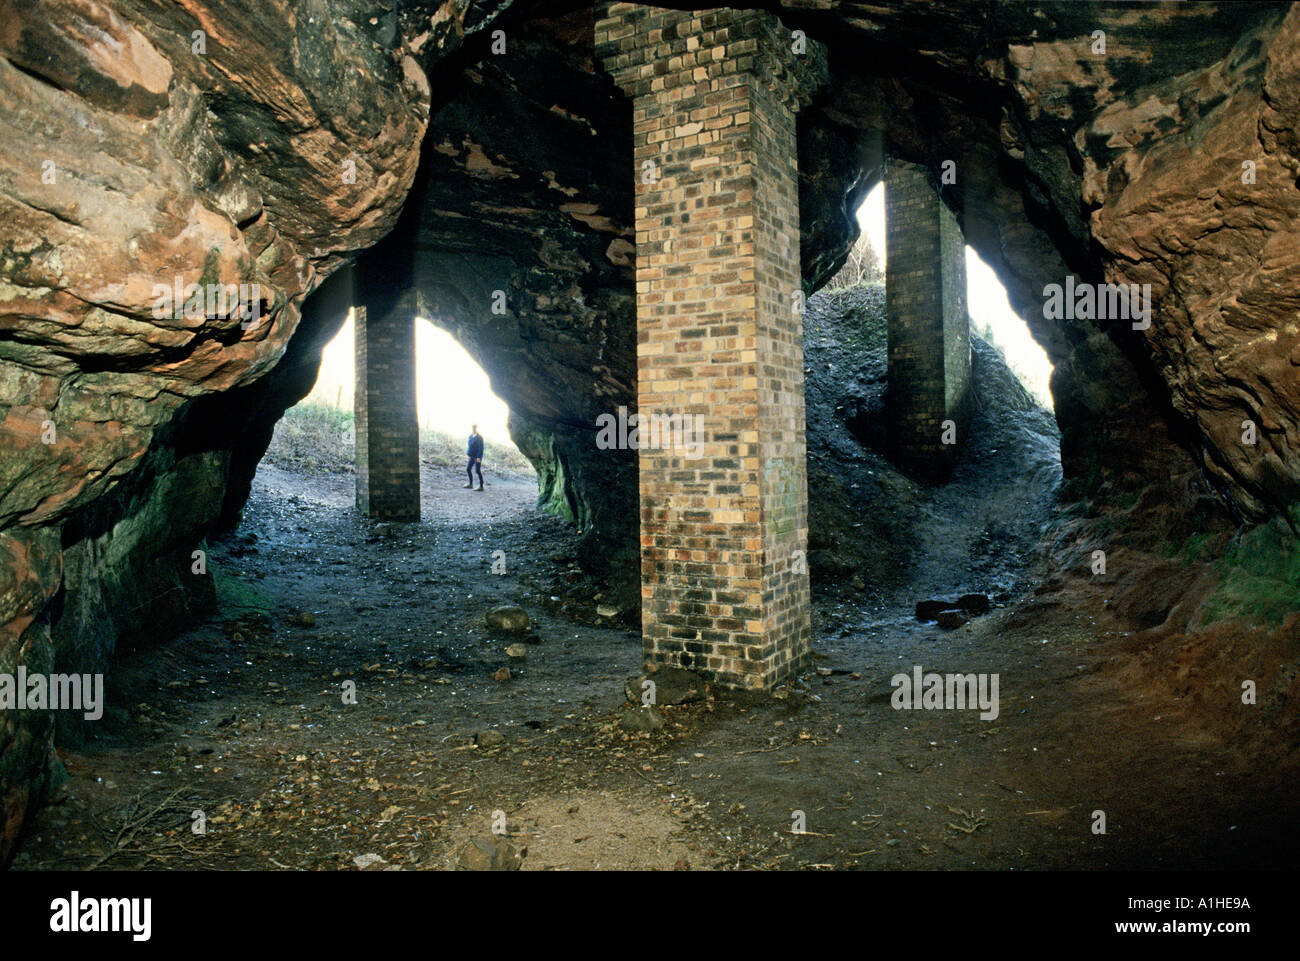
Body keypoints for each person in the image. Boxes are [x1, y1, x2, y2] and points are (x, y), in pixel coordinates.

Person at [465, 424, 484, 491]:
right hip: (471, 456)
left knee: (477, 471)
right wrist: (468, 453)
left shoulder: (479, 437)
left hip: (477, 457)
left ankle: (481, 486)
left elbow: (481, 448)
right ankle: (470, 484)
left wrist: (478, 457)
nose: (473, 429)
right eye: (472, 428)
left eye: (475, 428)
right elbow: (470, 446)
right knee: (468, 469)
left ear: (477, 429)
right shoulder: (470, 436)